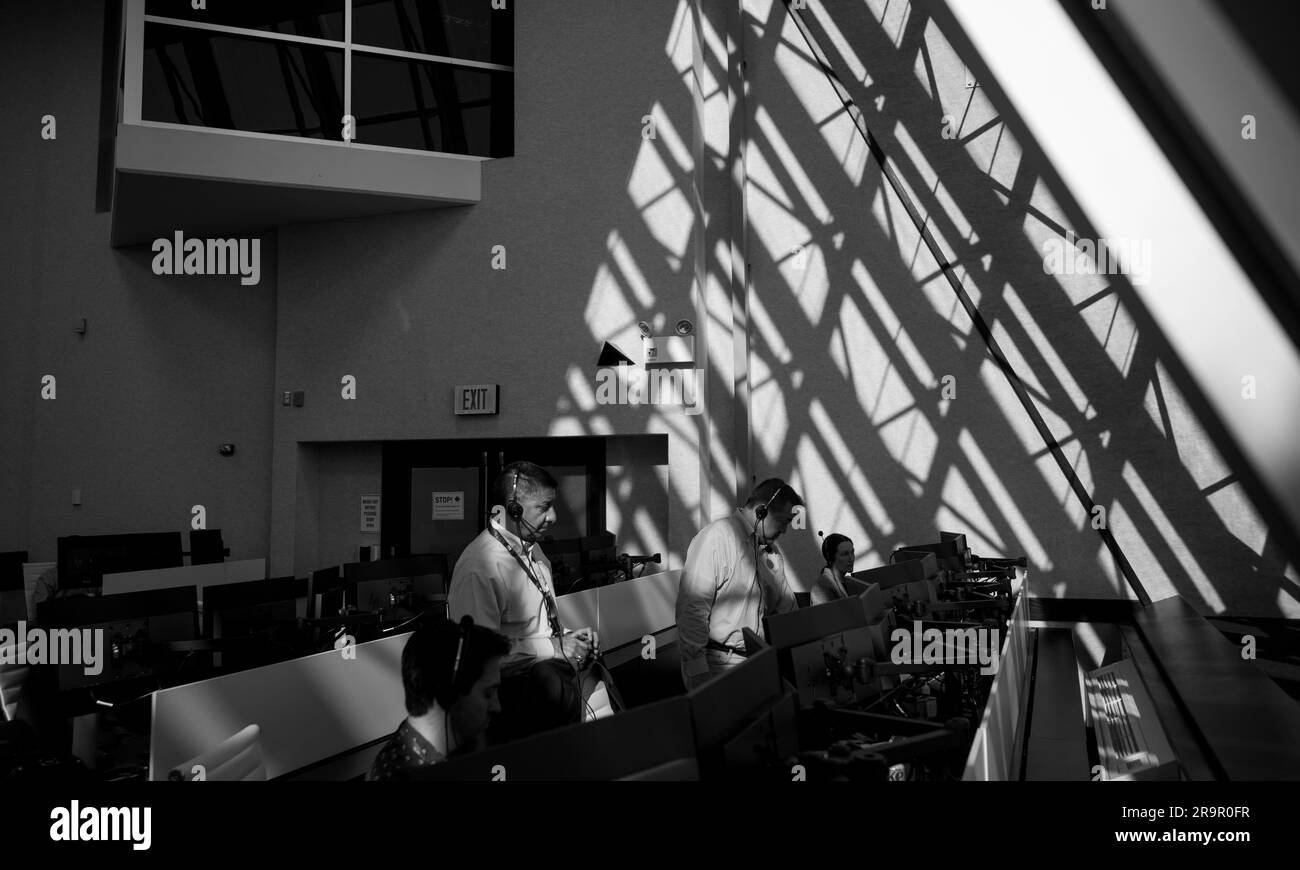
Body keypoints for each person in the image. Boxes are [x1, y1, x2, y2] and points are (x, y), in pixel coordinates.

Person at [447, 460, 619, 742]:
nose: (552, 517)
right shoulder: (480, 567)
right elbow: (479, 656)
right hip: (517, 710)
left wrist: (570, 640)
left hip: (553, 693)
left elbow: (538, 627)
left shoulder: (535, 551)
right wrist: (553, 648)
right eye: (543, 507)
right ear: (513, 509)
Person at [676, 478, 802, 690]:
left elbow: (785, 606)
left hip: (756, 661)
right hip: (718, 665)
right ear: (762, 511)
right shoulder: (717, 539)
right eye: (784, 522)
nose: (786, 530)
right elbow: (692, 611)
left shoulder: (769, 551)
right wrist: (698, 675)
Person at [367, 616, 510, 780]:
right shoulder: (399, 774)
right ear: (448, 693)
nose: (496, 707)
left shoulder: (461, 748)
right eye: (488, 694)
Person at [810, 533, 854, 606]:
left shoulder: (848, 581)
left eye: (852, 552)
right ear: (831, 558)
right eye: (845, 554)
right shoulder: (821, 587)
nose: (851, 558)